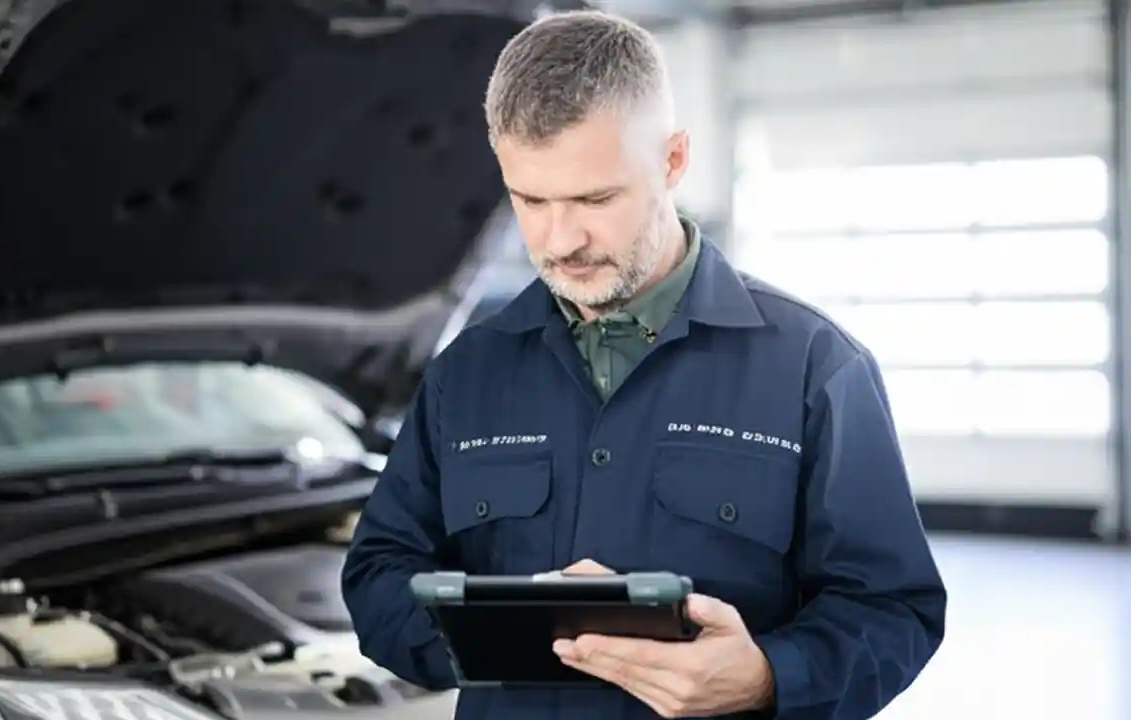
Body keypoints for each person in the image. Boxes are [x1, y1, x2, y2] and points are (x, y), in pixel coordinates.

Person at [341, 9, 946, 720]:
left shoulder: (816, 365)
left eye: (596, 198)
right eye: (530, 199)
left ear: (672, 160)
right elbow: (379, 573)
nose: (561, 240)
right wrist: (494, 637)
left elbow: (894, 610)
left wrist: (766, 677)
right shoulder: (465, 373)